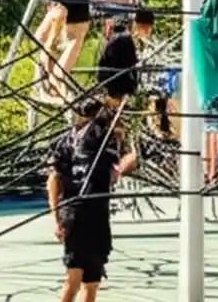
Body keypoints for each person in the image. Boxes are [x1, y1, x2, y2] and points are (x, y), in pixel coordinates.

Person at [47, 99, 139, 302]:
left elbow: (127, 161)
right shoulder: (83, 139)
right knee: (79, 278)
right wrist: (57, 219)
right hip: (82, 213)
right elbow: (53, 181)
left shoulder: (97, 140)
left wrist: (56, 218)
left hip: (89, 214)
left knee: (88, 280)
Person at [97, 10, 155, 104]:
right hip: (113, 86)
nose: (149, 31)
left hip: (114, 83)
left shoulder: (125, 39)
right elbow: (126, 68)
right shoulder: (124, 40)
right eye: (147, 28)